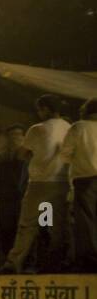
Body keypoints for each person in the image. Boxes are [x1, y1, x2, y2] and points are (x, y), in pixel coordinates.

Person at [3, 96, 72, 273]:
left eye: (40, 110)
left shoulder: (37, 129)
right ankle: (53, 263)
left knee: (28, 224)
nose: (38, 113)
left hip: (39, 185)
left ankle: (14, 263)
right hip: (62, 184)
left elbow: (21, 154)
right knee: (55, 225)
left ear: (45, 109)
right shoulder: (70, 128)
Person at [61, 98, 97, 270]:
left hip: (85, 180)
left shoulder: (78, 127)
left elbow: (65, 155)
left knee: (85, 221)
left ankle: (89, 260)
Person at [0, 125, 29, 260]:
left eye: (18, 135)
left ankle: (23, 260)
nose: (15, 138)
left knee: (24, 229)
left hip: (24, 199)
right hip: (6, 199)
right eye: (12, 135)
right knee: (6, 229)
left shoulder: (28, 155)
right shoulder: (2, 157)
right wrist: (0, 190)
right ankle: (7, 260)